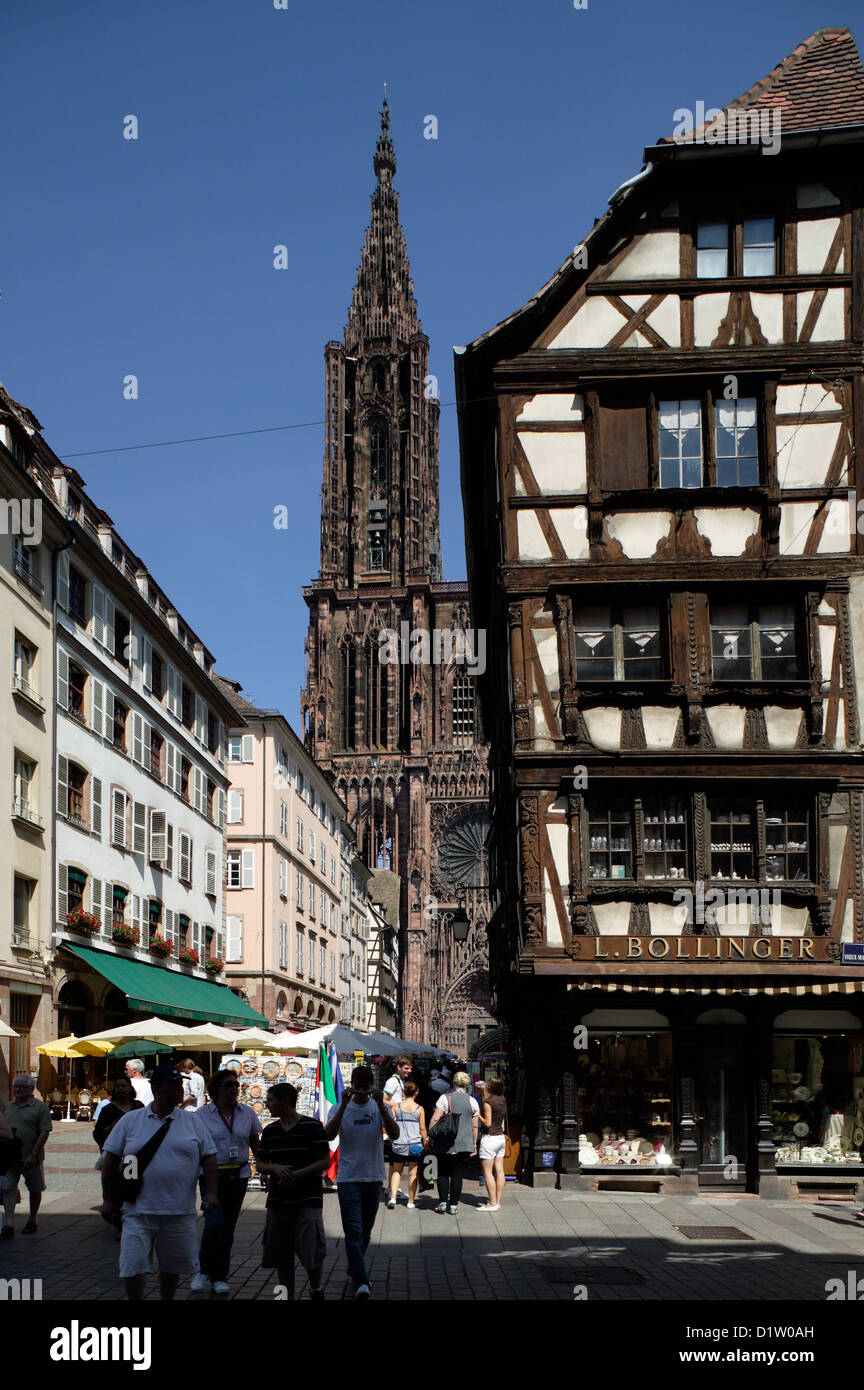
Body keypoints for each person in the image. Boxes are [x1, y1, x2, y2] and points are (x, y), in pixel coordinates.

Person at [101, 1064, 218, 1301]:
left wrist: (212, 1192)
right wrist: (108, 1200)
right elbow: (110, 1159)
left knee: (171, 1268)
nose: (179, 1089)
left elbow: (210, 1156)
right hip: (137, 1211)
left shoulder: (192, 1122)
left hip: (178, 1211)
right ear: (156, 1088)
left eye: (180, 1084)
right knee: (132, 1268)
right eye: (173, 1084)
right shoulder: (131, 1120)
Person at [323, 1066, 399, 1299]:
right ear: (352, 1084)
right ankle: (361, 1282)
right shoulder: (338, 1108)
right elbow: (328, 1134)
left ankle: (354, 1267)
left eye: (366, 1088)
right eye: (359, 1087)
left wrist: (381, 1108)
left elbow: (395, 1134)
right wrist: (344, 1105)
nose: (362, 1092)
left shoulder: (380, 1107)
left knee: (365, 1231)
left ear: (372, 1086)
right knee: (354, 1231)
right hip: (348, 1179)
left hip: (373, 1177)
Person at [257, 1082, 330, 1301]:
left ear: (285, 1102)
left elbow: (324, 1161)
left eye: (270, 1100)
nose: (267, 1105)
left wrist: (297, 1175)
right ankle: (285, 1295)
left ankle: (316, 1289)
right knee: (281, 1254)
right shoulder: (270, 1131)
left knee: (312, 1251)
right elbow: (260, 1163)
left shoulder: (313, 1126)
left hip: (308, 1198)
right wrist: (274, 1168)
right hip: (279, 1200)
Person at [192, 1069, 262, 1294]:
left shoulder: (247, 1113)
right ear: (216, 1089)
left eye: (236, 1085)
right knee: (214, 1224)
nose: (234, 1089)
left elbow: (254, 1141)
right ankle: (203, 1270)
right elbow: (194, 1146)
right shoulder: (201, 1115)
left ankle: (220, 1276)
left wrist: (264, 1168)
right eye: (229, 1085)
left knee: (228, 1228)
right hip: (210, 1177)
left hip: (238, 1176)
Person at [1, 1075, 52, 1237]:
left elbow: (44, 1132)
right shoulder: (8, 1107)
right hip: (10, 1157)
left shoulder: (40, 1107)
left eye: (21, 1087)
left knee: (34, 1189)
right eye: (15, 1087)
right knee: (8, 1188)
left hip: (31, 1156)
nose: (17, 1090)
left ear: (31, 1089)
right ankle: (9, 1223)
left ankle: (32, 1219)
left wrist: (34, 1154)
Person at [428, 1070, 478, 1216]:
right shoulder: (472, 1101)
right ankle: (454, 1206)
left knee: (443, 1172)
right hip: (464, 1143)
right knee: (457, 1173)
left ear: (454, 1083)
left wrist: (430, 1135)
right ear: (467, 1084)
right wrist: (474, 1144)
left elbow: (435, 1119)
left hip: (444, 1142)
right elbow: (475, 1126)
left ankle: (443, 1203)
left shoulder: (444, 1098)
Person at [387, 1081, 427, 1209]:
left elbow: (391, 1125)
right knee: (412, 1174)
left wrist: (391, 1138)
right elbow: (422, 1128)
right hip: (414, 1145)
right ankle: (410, 1201)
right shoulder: (419, 1109)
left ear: (404, 1092)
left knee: (396, 1171)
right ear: (416, 1093)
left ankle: (393, 1198)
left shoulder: (396, 1107)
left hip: (399, 1143)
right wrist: (425, 1142)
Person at [478, 1078, 508, 1212]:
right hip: (500, 1137)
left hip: (490, 1138)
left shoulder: (487, 1102)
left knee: (487, 1172)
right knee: (500, 1170)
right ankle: (497, 1201)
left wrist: (478, 1115)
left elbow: (487, 1123)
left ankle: (492, 1203)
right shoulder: (502, 1099)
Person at [93, 1077, 144, 1151]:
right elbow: (98, 1133)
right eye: (118, 1086)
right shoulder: (107, 1109)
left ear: (130, 1088)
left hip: (135, 1150)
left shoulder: (138, 1106)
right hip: (114, 1150)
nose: (120, 1088)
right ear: (114, 1089)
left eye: (123, 1086)